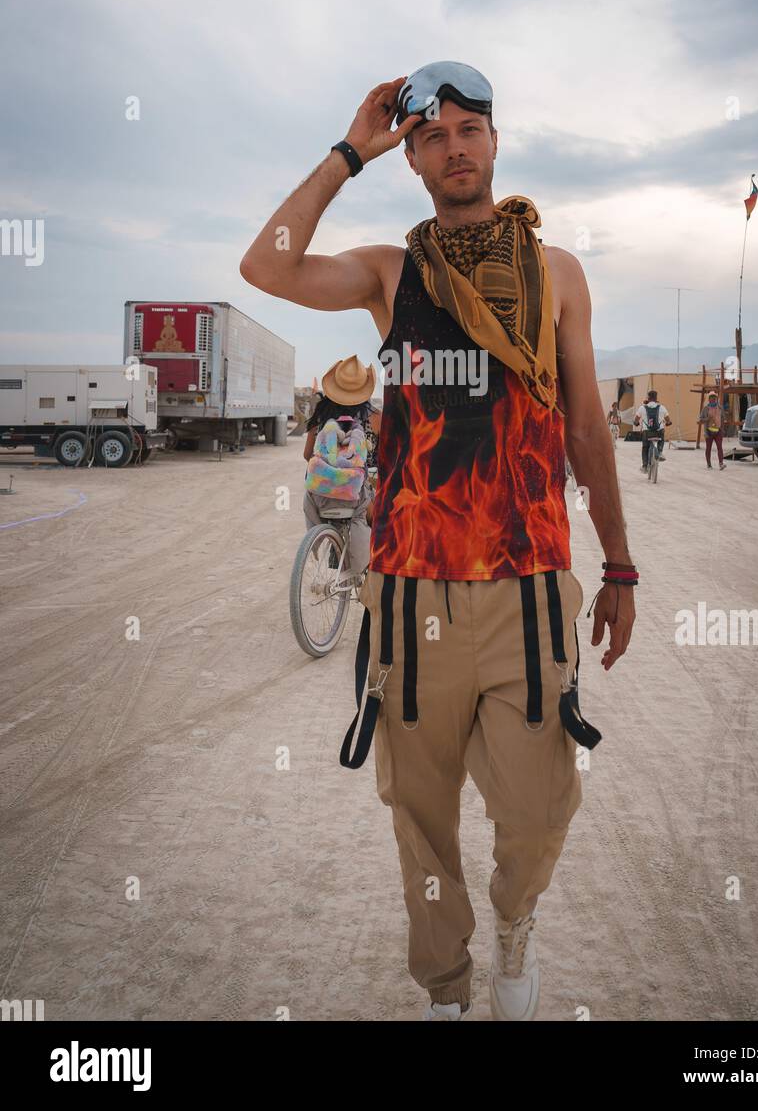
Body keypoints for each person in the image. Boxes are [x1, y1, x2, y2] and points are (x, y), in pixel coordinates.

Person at [241, 62, 636, 1022]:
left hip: (532, 585)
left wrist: (618, 561)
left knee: (538, 812)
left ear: (496, 143)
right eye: (434, 135)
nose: (455, 148)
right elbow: (269, 266)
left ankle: (512, 927)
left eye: (470, 130)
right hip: (410, 591)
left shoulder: (556, 275)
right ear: (413, 157)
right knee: (419, 822)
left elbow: (586, 426)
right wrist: (348, 152)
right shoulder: (391, 273)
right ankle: (449, 989)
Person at [302, 356, 378, 574]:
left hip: (322, 496)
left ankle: (328, 549)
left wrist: (333, 470)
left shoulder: (320, 417)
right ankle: (367, 565)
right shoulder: (376, 419)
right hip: (358, 496)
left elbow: (308, 455)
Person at [633, 389, 672, 470]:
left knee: (645, 448)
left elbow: (636, 419)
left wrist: (636, 423)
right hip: (658, 432)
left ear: (648, 398)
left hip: (647, 433)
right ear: (656, 398)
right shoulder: (662, 407)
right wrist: (668, 423)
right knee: (661, 436)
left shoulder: (642, 408)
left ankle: (644, 466)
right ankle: (660, 452)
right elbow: (668, 419)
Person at [699, 391, 726, 471]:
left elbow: (723, 419)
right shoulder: (705, 409)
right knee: (708, 448)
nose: (713, 399)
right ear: (709, 399)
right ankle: (709, 464)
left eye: (714, 397)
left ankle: (721, 464)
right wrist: (707, 419)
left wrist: (722, 430)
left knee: (719, 447)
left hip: (718, 431)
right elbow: (700, 420)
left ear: (716, 399)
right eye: (711, 397)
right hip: (708, 431)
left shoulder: (720, 408)